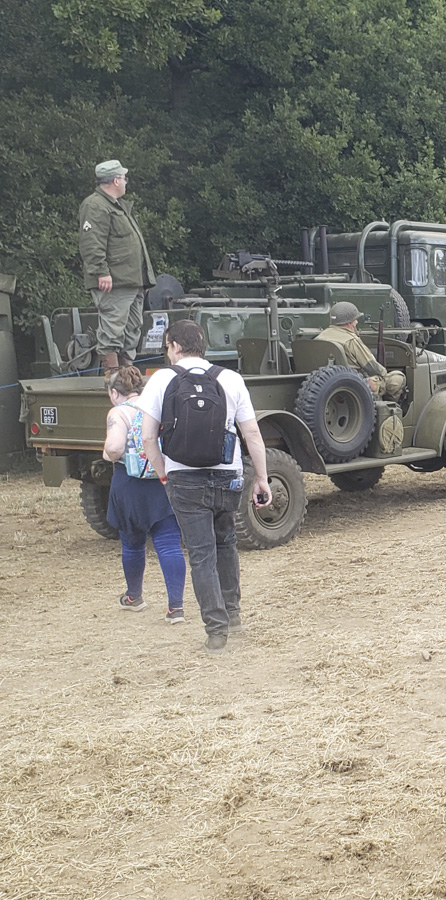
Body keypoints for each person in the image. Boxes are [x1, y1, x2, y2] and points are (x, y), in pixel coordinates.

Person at [138, 320, 271, 654]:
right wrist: (262, 478)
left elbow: (147, 438)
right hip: (228, 476)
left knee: (201, 554)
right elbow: (251, 434)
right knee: (226, 543)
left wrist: (164, 474)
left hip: (184, 478)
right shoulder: (230, 379)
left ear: (174, 346)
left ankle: (216, 630)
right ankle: (234, 614)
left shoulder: (161, 380)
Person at [101, 366, 187, 622]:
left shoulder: (119, 412)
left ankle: (134, 596)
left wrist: (106, 453)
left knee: (132, 543)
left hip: (129, 483)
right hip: (162, 479)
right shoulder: (159, 407)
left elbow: (114, 448)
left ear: (115, 392)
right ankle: (176, 608)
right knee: (169, 544)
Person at [78, 160, 155, 376]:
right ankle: (113, 376)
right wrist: (102, 271)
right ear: (115, 180)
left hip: (131, 281)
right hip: (115, 281)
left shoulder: (116, 205)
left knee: (132, 328)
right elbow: (91, 242)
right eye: (123, 178)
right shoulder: (95, 205)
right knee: (113, 327)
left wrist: (143, 279)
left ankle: (127, 375)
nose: (125, 182)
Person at [316, 301, 406, 400]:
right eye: (355, 320)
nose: (357, 322)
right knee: (397, 378)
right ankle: (387, 409)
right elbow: (372, 367)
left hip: (320, 387)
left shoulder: (319, 337)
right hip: (353, 386)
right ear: (349, 323)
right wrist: (384, 374)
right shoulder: (351, 340)